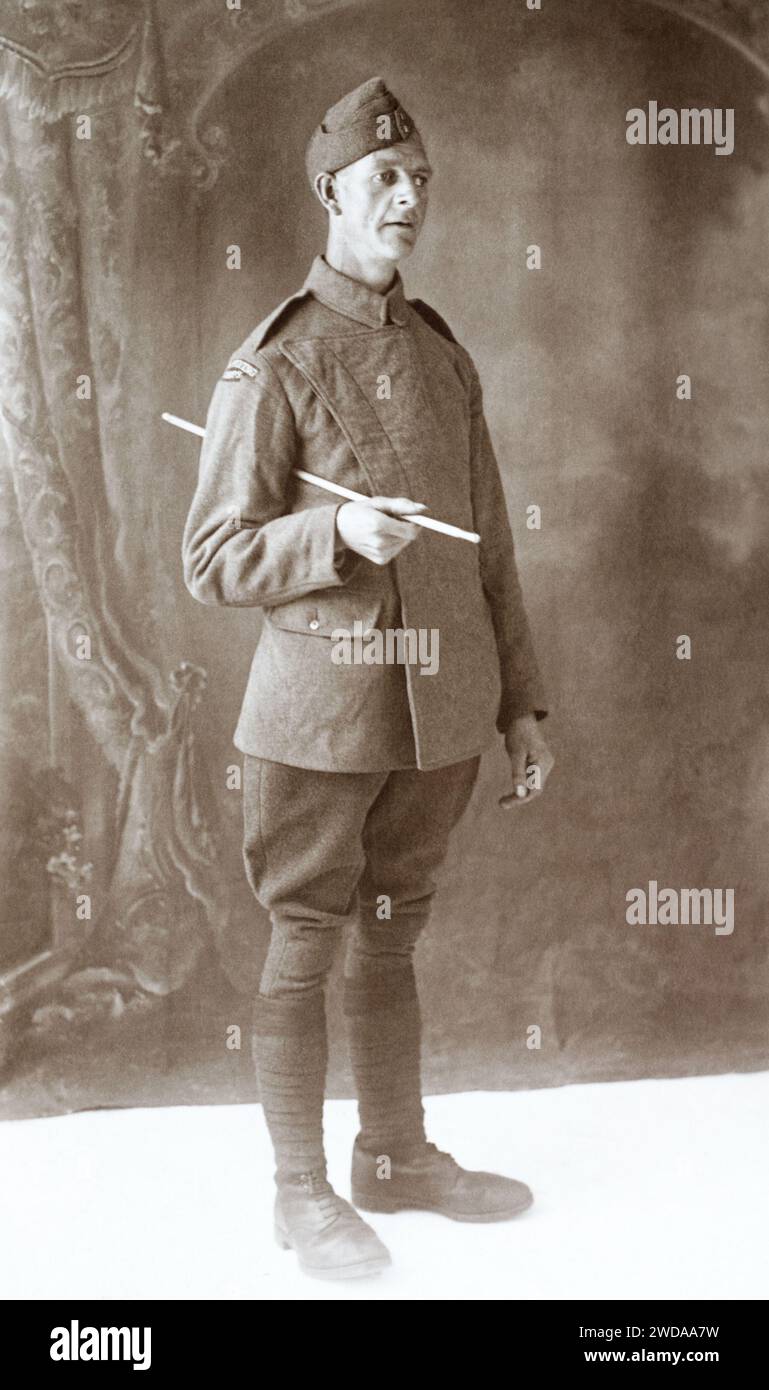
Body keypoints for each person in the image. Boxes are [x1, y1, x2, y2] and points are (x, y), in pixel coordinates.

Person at [182, 75, 554, 1282]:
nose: (408, 197)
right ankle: (299, 1191)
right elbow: (212, 557)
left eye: (421, 179)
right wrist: (335, 538)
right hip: (317, 720)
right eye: (384, 179)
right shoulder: (273, 360)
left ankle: (392, 1157)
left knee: (389, 942)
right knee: (306, 940)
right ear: (330, 195)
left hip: (434, 717)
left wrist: (520, 706)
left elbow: (490, 544)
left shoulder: (441, 357)